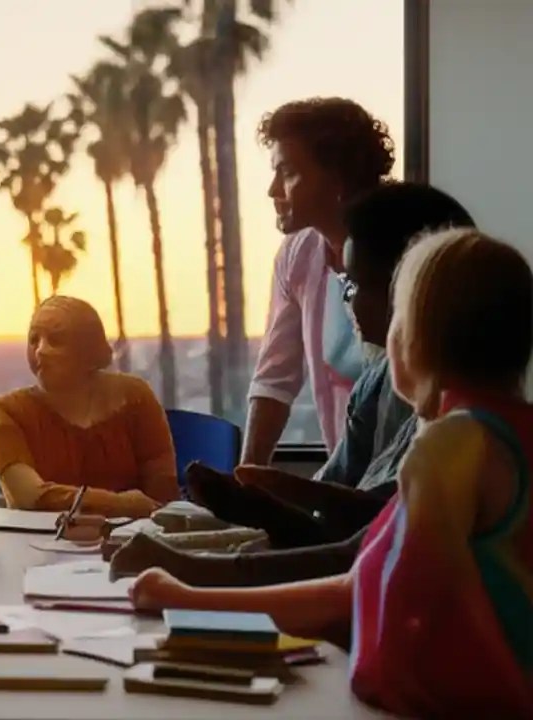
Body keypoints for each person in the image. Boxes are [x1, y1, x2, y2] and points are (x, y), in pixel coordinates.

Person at [131, 229, 533, 716]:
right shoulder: (512, 437)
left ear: (414, 341)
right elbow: (358, 585)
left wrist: (185, 597)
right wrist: (190, 595)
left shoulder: (450, 448)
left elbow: (370, 599)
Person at [111, 183, 475, 579]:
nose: (345, 301)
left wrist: (199, 573)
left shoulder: (461, 436)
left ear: (405, 291)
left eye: (353, 284)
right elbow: (338, 513)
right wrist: (265, 497)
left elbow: (365, 549)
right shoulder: (377, 379)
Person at [242, 98, 396, 464]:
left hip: (414, 477)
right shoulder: (299, 254)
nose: (273, 190)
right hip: (348, 483)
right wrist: (246, 479)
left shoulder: (403, 246)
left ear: (338, 177)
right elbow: (274, 380)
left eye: (288, 172)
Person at [0, 296, 179, 517]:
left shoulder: (135, 398)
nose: (40, 350)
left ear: (88, 348)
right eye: (33, 340)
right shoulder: (9, 412)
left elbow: (163, 496)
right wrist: (119, 505)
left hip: (134, 541)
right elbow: (29, 497)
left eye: (56, 340)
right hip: (43, 545)